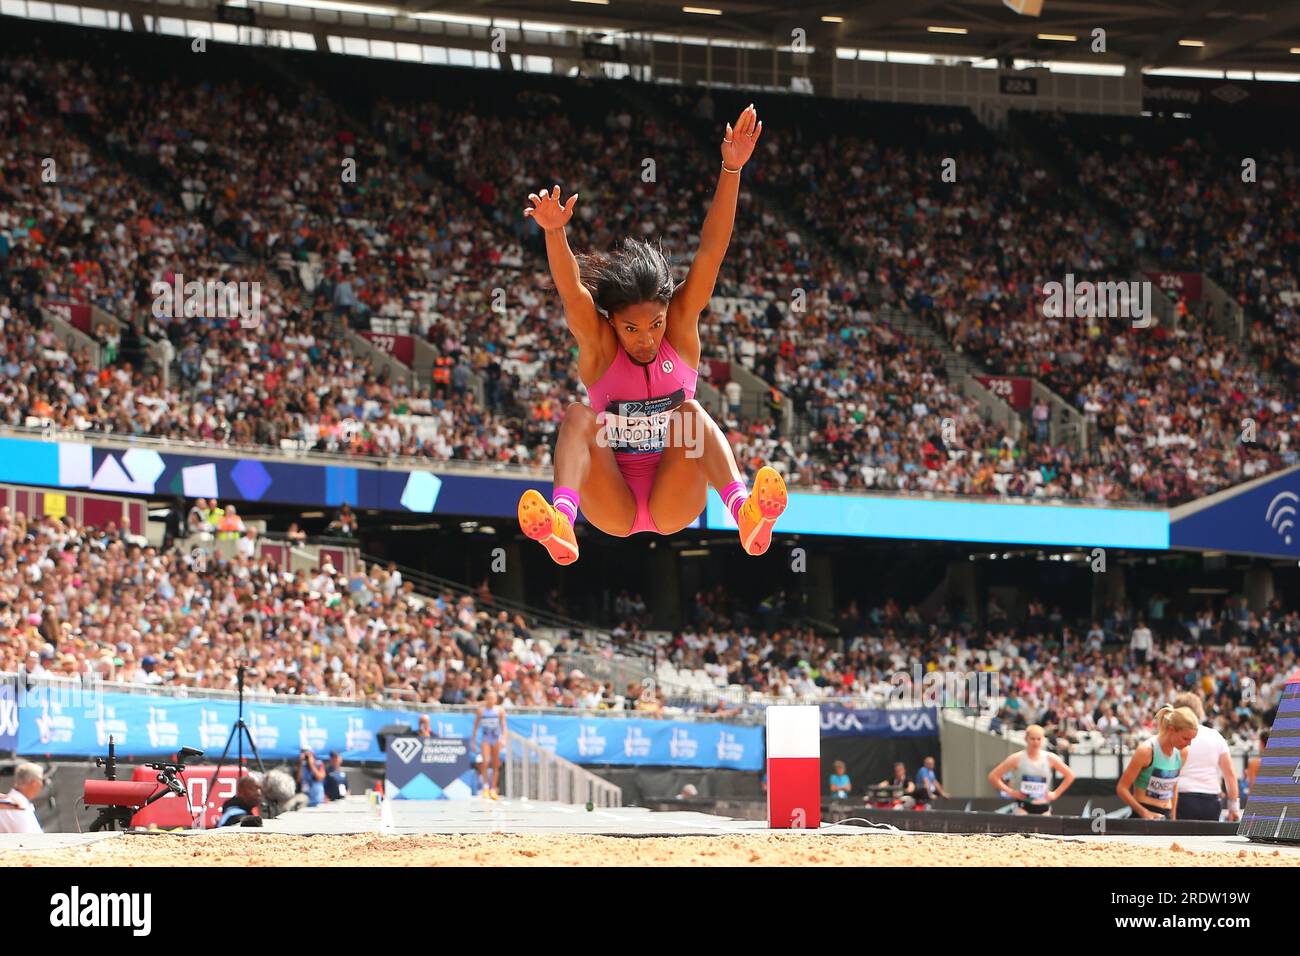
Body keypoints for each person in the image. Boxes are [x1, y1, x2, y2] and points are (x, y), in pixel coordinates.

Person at [517, 104, 787, 565]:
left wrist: (732, 169)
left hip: (673, 497)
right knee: (579, 415)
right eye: (631, 329)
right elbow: (572, 291)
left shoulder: (679, 329)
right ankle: (563, 521)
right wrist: (555, 234)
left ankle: (744, 512)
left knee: (691, 412)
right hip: (613, 500)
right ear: (612, 323)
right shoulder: (600, 347)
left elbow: (711, 250)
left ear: (668, 314)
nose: (646, 339)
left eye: (655, 325)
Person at [1116, 705, 1198, 820]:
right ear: (1171, 729)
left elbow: (1173, 786)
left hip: (1166, 814)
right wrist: (1144, 812)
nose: (1189, 743)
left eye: (1191, 739)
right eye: (1185, 738)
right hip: (1144, 815)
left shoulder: (1182, 752)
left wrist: (1173, 818)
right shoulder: (1146, 751)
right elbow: (1122, 788)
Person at [1172, 691, 1240, 822]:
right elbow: (1230, 774)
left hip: (1181, 798)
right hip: (1210, 801)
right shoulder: (1215, 736)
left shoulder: (1175, 735)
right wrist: (1234, 808)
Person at [987, 724, 1076, 815]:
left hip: (1043, 805)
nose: (1035, 742)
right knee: (1024, 827)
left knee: (1044, 828)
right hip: (1023, 805)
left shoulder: (1050, 758)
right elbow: (993, 776)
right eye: (1032, 739)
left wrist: (1055, 794)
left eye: (1038, 739)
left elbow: (1070, 775)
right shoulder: (1016, 758)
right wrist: (1011, 792)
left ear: (1043, 740)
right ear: (1026, 739)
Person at [471, 688, 507, 800]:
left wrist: (503, 738)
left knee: (496, 764)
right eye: (489, 698)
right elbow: (476, 727)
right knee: (485, 761)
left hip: (495, 739)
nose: (491, 700)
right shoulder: (481, 711)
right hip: (486, 739)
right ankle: (485, 786)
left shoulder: (499, 711)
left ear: (496, 700)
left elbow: (504, 726)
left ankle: (493, 788)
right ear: (486, 698)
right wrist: (473, 740)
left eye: (493, 698)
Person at [0, 762, 45, 833]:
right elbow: (29, 840)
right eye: (42, 780)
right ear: (34, 783)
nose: (42, 784)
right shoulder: (15, 806)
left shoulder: (16, 804)